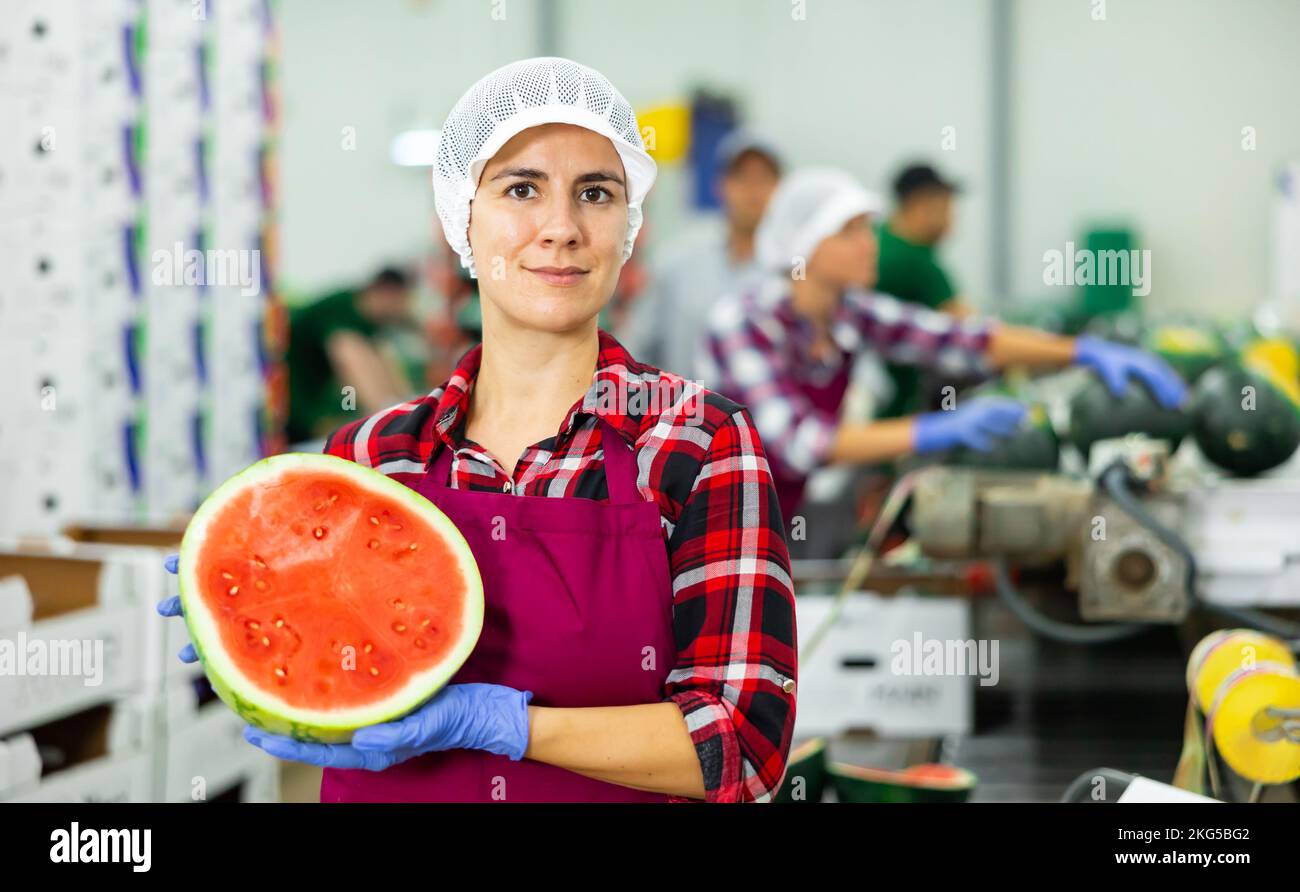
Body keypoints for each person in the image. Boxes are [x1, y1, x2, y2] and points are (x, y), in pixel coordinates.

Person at [158, 58, 797, 803]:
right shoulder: (369, 457)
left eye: (596, 193)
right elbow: (322, 673)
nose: (561, 229)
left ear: (628, 229)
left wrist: (507, 725)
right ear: (461, 216)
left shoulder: (696, 443)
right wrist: (250, 604)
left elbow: (744, 748)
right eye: (521, 188)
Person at [700, 168, 1186, 528]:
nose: (870, 244)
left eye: (867, 228)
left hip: (782, 515)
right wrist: (937, 429)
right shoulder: (742, 323)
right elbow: (800, 443)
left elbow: (963, 340)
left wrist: (1082, 351)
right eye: (849, 232)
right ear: (802, 247)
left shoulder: (849, 310)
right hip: (714, 523)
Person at [618, 129, 781, 379]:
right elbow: (635, 351)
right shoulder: (675, 264)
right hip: (681, 415)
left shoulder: (793, 273)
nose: (753, 191)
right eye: (743, 178)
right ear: (721, 186)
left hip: (766, 414)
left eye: (764, 179)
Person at [875, 163, 971, 417]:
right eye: (946, 206)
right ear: (921, 205)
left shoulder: (876, 238)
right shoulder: (918, 264)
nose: (952, 217)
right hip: (891, 413)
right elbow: (971, 331)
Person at [285, 267, 417, 444]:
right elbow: (350, 356)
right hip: (289, 395)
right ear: (388, 292)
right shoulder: (343, 310)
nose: (403, 308)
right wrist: (388, 417)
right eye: (402, 301)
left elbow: (385, 363)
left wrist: (408, 406)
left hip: (306, 395)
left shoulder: (369, 321)